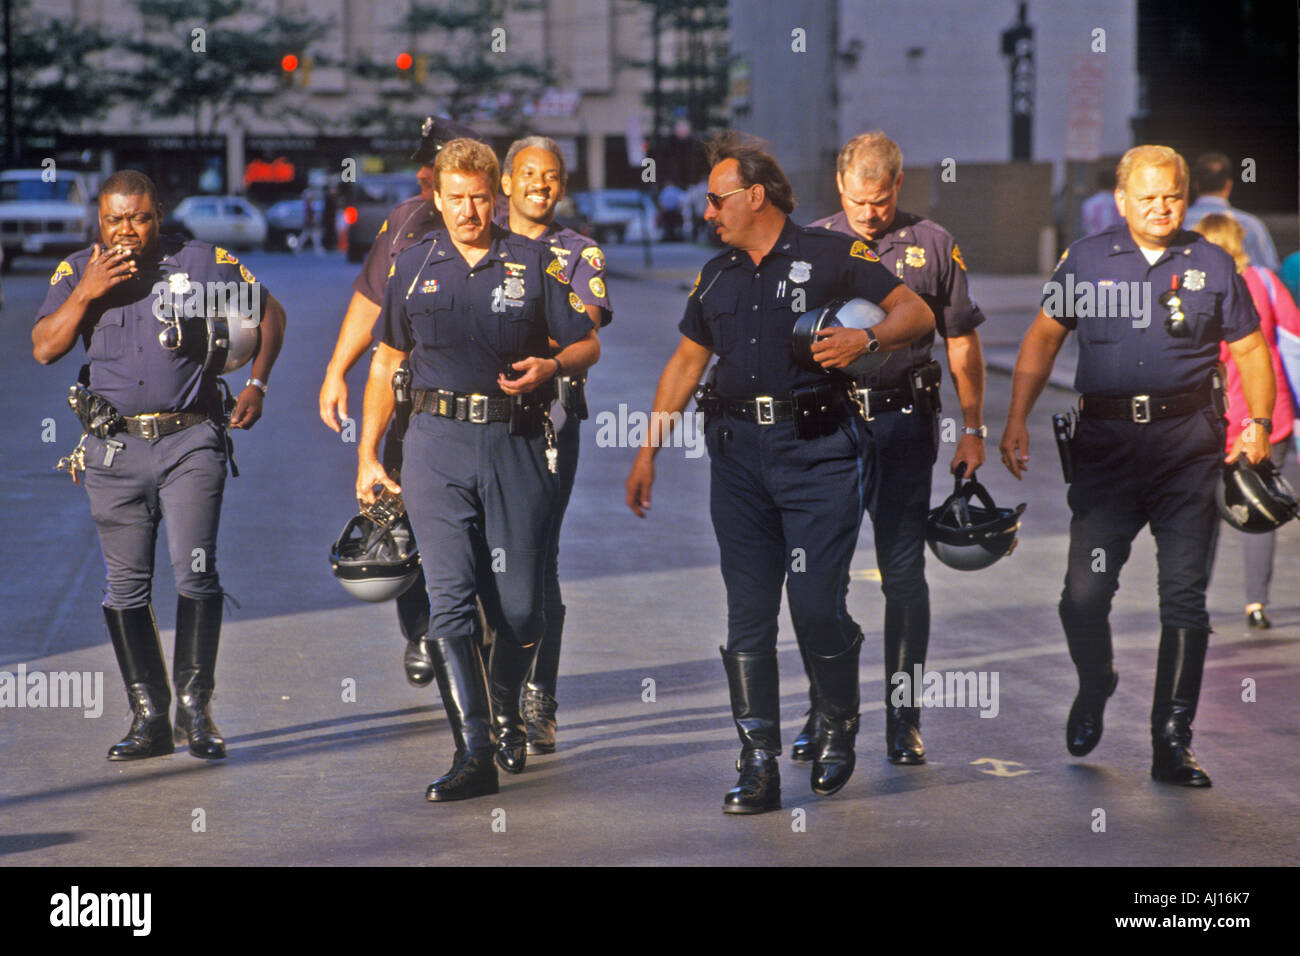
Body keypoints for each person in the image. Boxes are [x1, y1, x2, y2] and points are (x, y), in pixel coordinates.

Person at [626, 132, 933, 814]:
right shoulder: (715, 275)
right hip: (737, 456)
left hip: (819, 451)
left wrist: (867, 337)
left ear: (754, 196)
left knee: (816, 606)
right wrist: (648, 448)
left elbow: (917, 311)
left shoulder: (834, 255)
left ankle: (840, 721)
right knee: (748, 615)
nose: (707, 212)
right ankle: (757, 759)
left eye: (716, 199)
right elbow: (684, 365)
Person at [998, 145, 1275, 788]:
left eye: (1171, 196)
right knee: (1083, 596)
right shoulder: (1089, 260)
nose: (1160, 207)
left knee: (1185, 600)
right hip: (1108, 450)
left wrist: (1256, 424)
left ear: (1185, 197)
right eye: (1146, 196)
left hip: (1189, 449)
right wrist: (1016, 419)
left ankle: (1171, 741)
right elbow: (1042, 338)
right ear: (1122, 200)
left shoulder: (1211, 262)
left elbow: (1251, 348)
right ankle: (1096, 681)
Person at [356, 139, 599, 802]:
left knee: (521, 610)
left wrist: (554, 367)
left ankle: (502, 708)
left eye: (479, 199)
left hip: (515, 441)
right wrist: (368, 454)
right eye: (455, 198)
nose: (467, 211)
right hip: (433, 443)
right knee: (450, 604)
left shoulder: (533, 261)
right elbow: (385, 361)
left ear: (497, 198)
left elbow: (587, 342)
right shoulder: (411, 265)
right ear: (436, 196)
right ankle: (474, 752)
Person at [32, 169, 286, 761]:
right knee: (125, 586)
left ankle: (196, 711)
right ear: (99, 221)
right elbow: (45, 347)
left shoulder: (199, 263)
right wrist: (87, 291)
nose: (128, 231)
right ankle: (149, 716)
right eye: (115, 220)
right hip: (113, 450)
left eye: (140, 218)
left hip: (189, 440)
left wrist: (258, 386)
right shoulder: (75, 272)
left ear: (158, 214)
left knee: (195, 571)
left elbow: (270, 312)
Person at [806, 130, 988, 765]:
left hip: (906, 423)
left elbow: (961, 340)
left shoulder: (933, 244)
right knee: (820, 574)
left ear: (897, 188)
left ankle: (903, 720)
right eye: (859, 201)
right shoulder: (814, 244)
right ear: (840, 187)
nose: (869, 214)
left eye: (880, 202)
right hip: (827, 427)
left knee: (903, 574)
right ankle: (825, 710)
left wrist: (973, 427)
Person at [320, 116, 478, 687]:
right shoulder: (407, 220)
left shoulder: (493, 216)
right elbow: (370, 298)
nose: (422, 172)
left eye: (433, 163)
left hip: (486, 402)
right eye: (425, 164)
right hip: (412, 402)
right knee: (403, 511)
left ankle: (473, 628)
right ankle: (422, 631)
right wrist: (338, 369)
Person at [498, 135, 612, 754]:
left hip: (549, 422)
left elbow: (585, 328)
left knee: (539, 562)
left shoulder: (578, 251)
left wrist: (545, 357)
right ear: (508, 183)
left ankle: (538, 696)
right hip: (475, 424)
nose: (543, 184)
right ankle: (496, 691)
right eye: (531, 174)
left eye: (554, 176)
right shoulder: (479, 239)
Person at [1193, 213, 1297, 629]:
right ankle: (1256, 603)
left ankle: (1192, 599)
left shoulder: (1198, 287)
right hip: (1269, 415)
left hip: (1212, 421)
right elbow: (1294, 338)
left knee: (1203, 511)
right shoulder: (1266, 282)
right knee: (1261, 503)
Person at [1185, 152, 1279, 272]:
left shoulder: (1179, 221)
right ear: (1228, 185)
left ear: (1196, 185)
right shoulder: (1251, 224)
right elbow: (1268, 272)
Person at [1080, 168, 1123, 238]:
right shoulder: (1121, 203)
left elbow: (1086, 227)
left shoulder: (1089, 203)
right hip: (1117, 243)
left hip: (1094, 242)